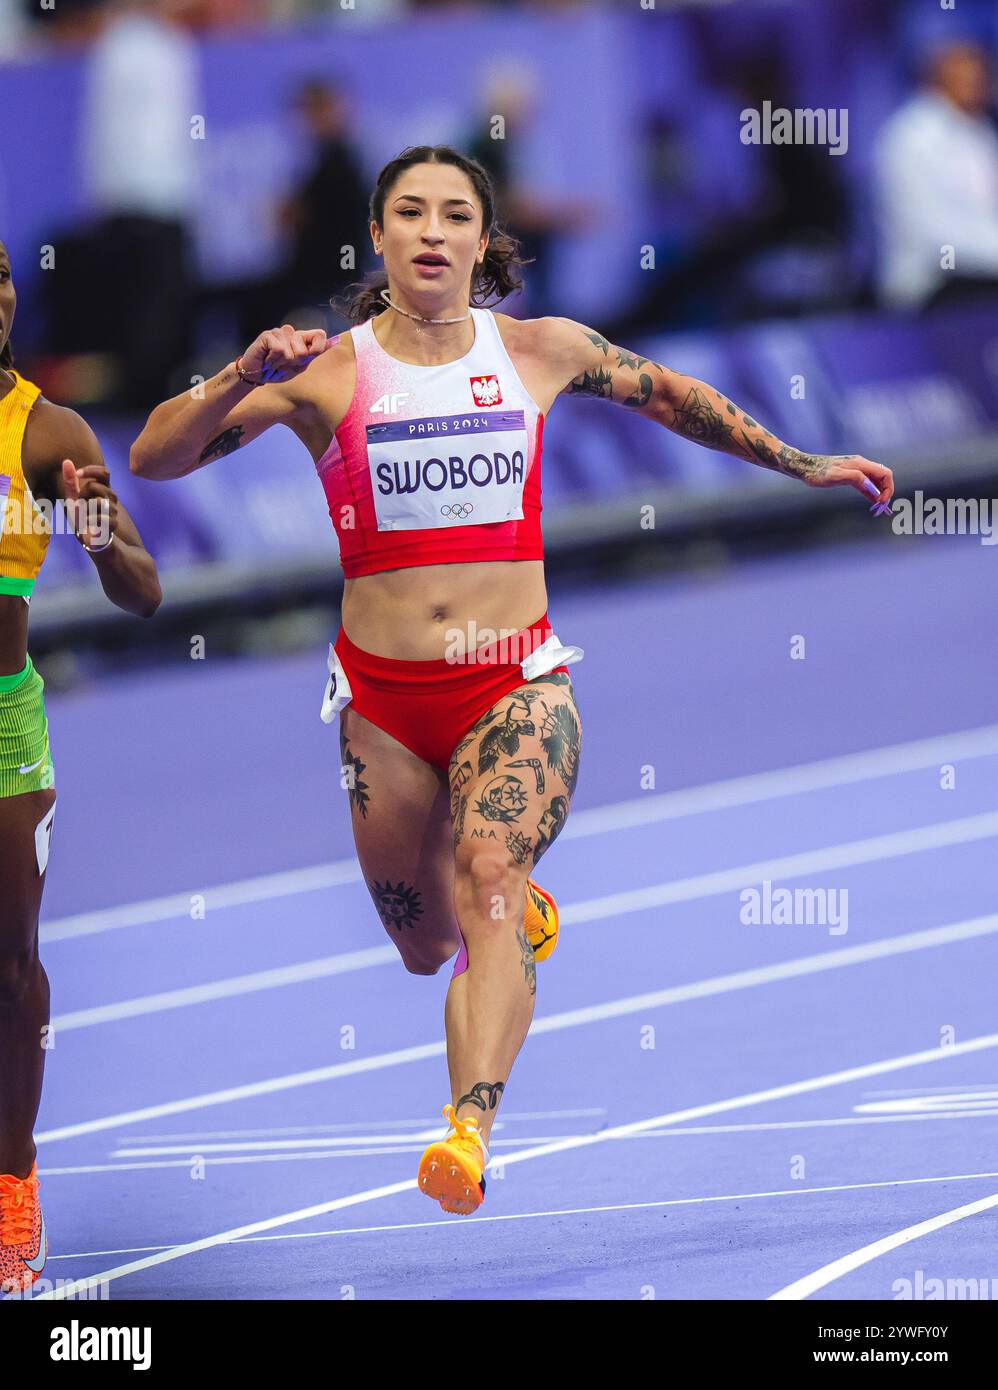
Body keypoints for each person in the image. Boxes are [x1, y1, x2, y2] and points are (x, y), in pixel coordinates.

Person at [129, 145, 893, 1217]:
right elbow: (156, 458)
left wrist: (803, 461)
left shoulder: (537, 351)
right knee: (422, 943)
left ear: (484, 242)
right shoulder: (323, 374)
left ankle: (467, 1130)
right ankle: (511, 918)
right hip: (383, 709)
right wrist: (237, 374)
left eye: (455, 215)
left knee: (486, 867)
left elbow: (672, 396)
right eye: (410, 213)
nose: (433, 232)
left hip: (513, 684)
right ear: (379, 237)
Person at [0, 241, 161, 1294]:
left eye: (3, 280)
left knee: (7, 966)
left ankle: (12, 1189)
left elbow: (143, 593)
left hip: (2, 731)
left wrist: (100, 532)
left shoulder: (45, 431)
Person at [874, 39, 998, 311]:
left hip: (983, 272)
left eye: (980, 73)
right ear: (938, 76)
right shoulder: (912, 136)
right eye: (963, 72)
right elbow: (936, 235)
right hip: (931, 285)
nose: (975, 81)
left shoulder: (981, 132)